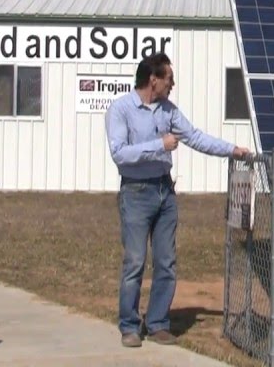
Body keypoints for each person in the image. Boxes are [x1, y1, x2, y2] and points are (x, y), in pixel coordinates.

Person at [105, 52, 252, 348]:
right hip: (135, 192)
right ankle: (130, 326)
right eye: (169, 78)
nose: (173, 84)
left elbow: (195, 137)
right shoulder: (120, 110)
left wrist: (231, 149)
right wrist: (159, 144)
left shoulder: (168, 111)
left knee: (166, 262)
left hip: (164, 192)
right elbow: (120, 153)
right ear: (153, 79)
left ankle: (158, 322)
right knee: (135, 261)